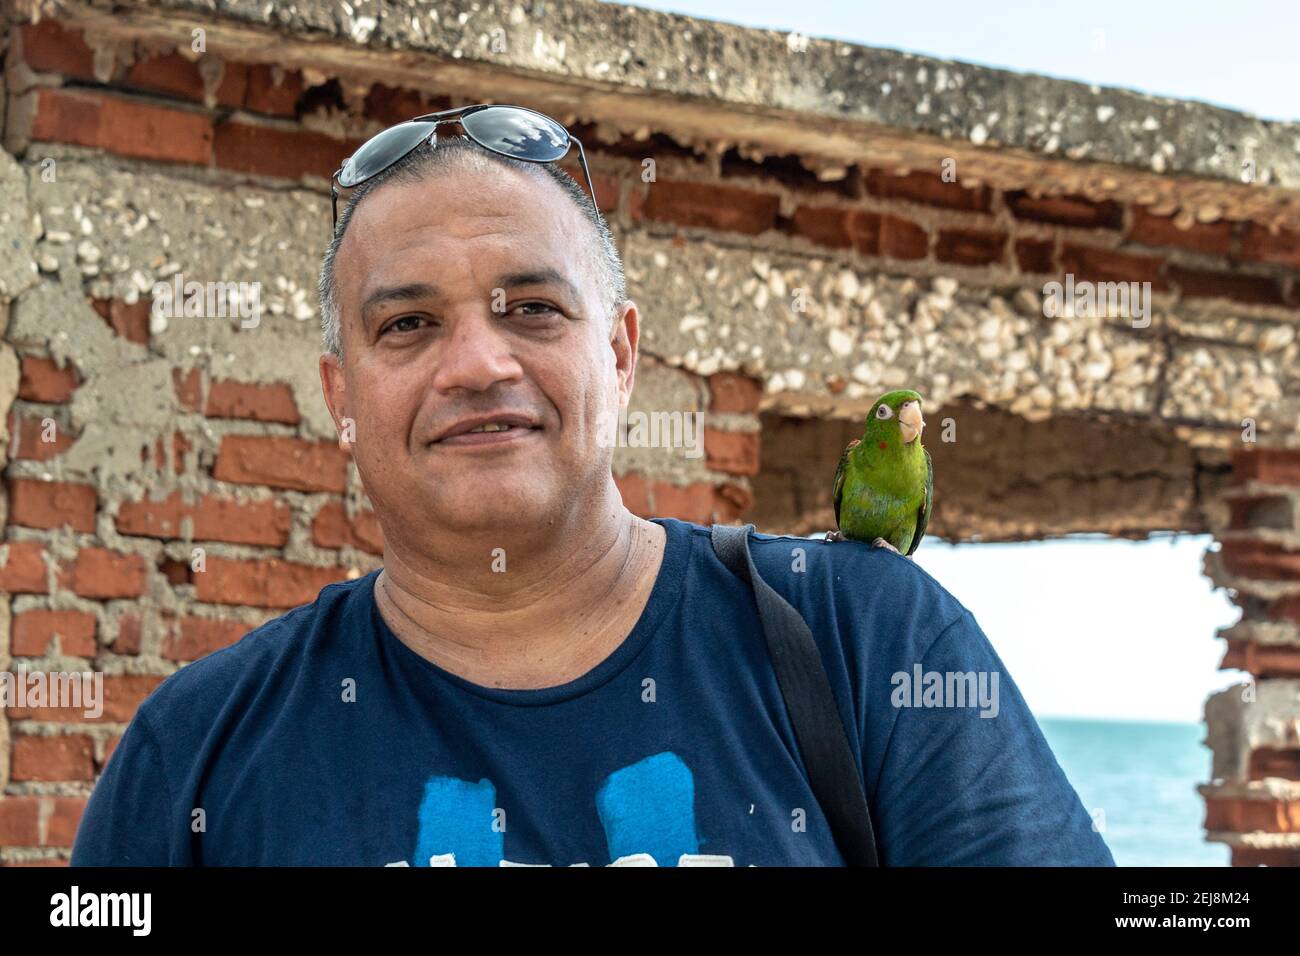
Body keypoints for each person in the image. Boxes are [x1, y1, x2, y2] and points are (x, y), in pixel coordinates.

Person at [71, 105, 1114, 867]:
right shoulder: (194, 752)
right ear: (342, 395)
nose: (477, 363)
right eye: (408, 323)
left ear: (620, 356)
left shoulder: (871, 643)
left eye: (530, 307)